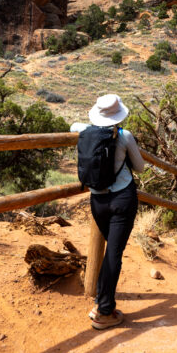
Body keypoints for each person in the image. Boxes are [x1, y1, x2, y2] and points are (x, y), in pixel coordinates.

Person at [72, 94, 144, 330]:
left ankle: (102, 304)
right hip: (122, 200)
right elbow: (140, 168)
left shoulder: (85, 131)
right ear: (118, 115)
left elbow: (73, 126)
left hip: (98, 201)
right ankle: (103, 312)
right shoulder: (124, 136)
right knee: (114, 253)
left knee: (111, 252)